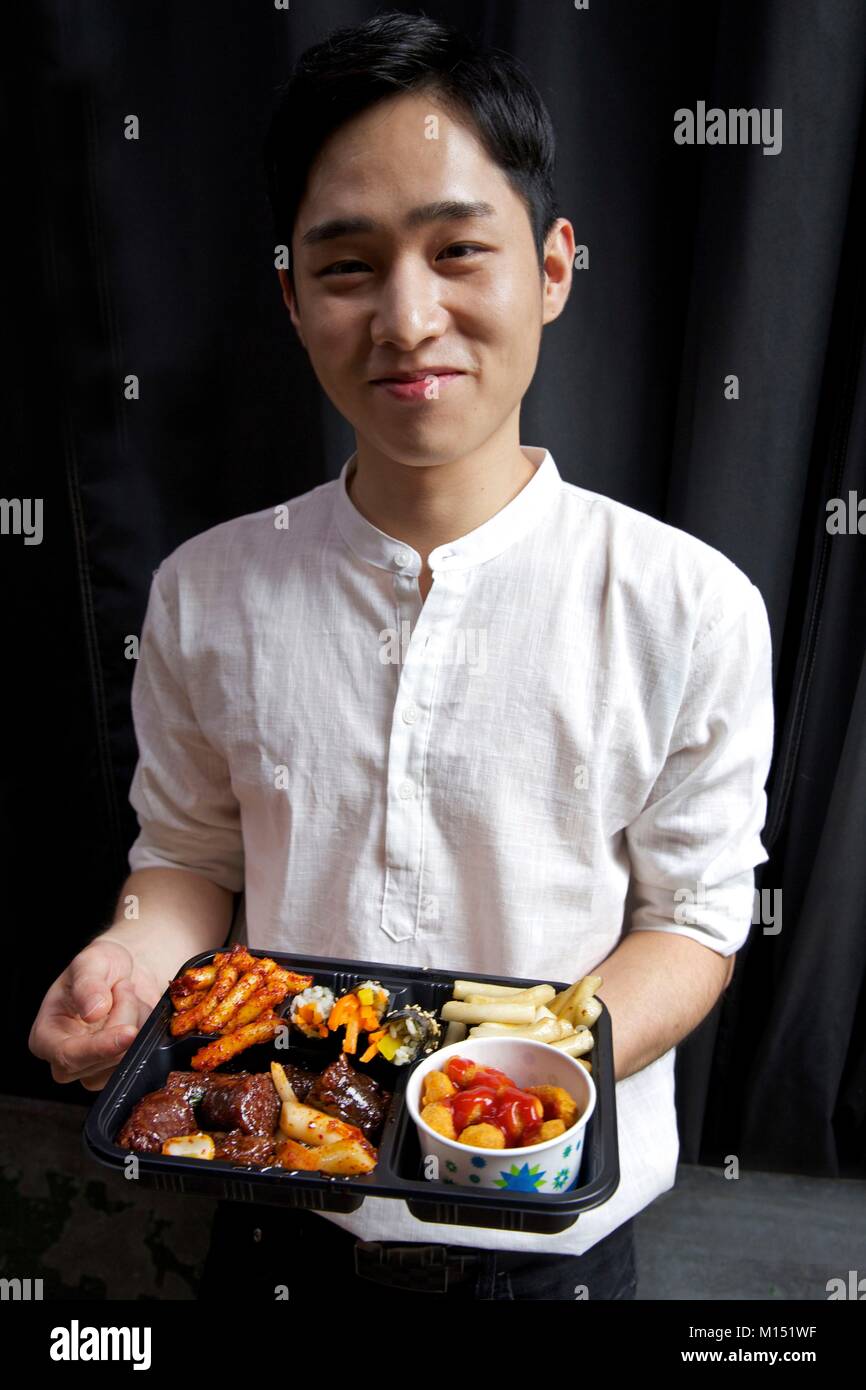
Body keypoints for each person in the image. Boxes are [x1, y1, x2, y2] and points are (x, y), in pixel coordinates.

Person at [29, 12, 775, 1300]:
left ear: (552, 267)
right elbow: (191, 857)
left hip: (551, 1234)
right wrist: (130, 959)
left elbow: (696, 922)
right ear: (292, 296)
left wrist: (511, 1073)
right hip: (277, 1211)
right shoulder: (207, 588)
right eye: (350, 266)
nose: (409, 316)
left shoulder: (689, 603)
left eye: (459, 250)